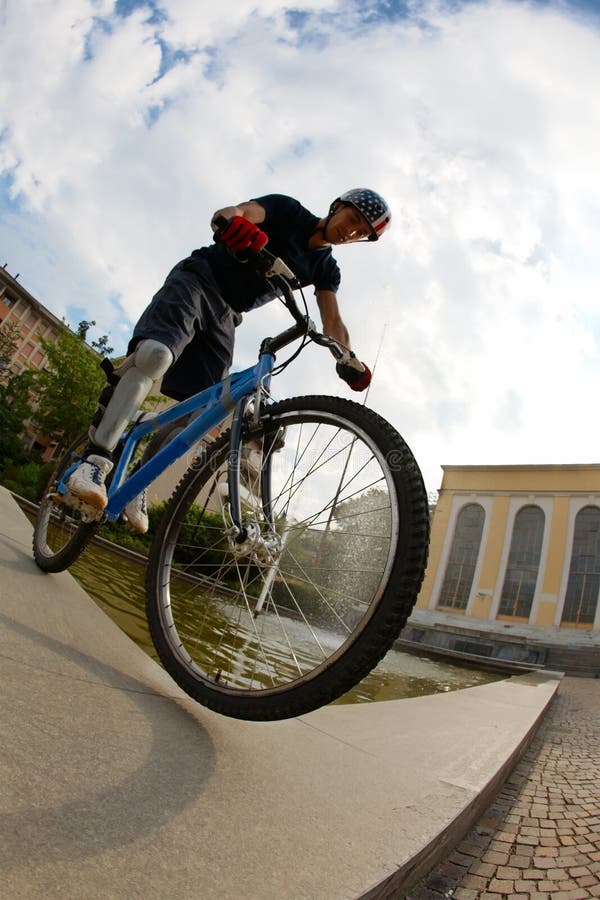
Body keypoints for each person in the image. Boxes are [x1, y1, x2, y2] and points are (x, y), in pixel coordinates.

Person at [63, 188, 392, 533]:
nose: (350, 232)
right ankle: (95, 460)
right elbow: (238, 211)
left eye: (360, 233)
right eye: (352, 219)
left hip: (228, 314)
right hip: (198, 279)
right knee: (156, 356)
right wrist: (234, 222)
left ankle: (138, 485)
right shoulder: (288, 211)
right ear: (338, 206)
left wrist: (347, 357)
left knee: (198, 415)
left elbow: (332, 321)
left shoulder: (325, 268)